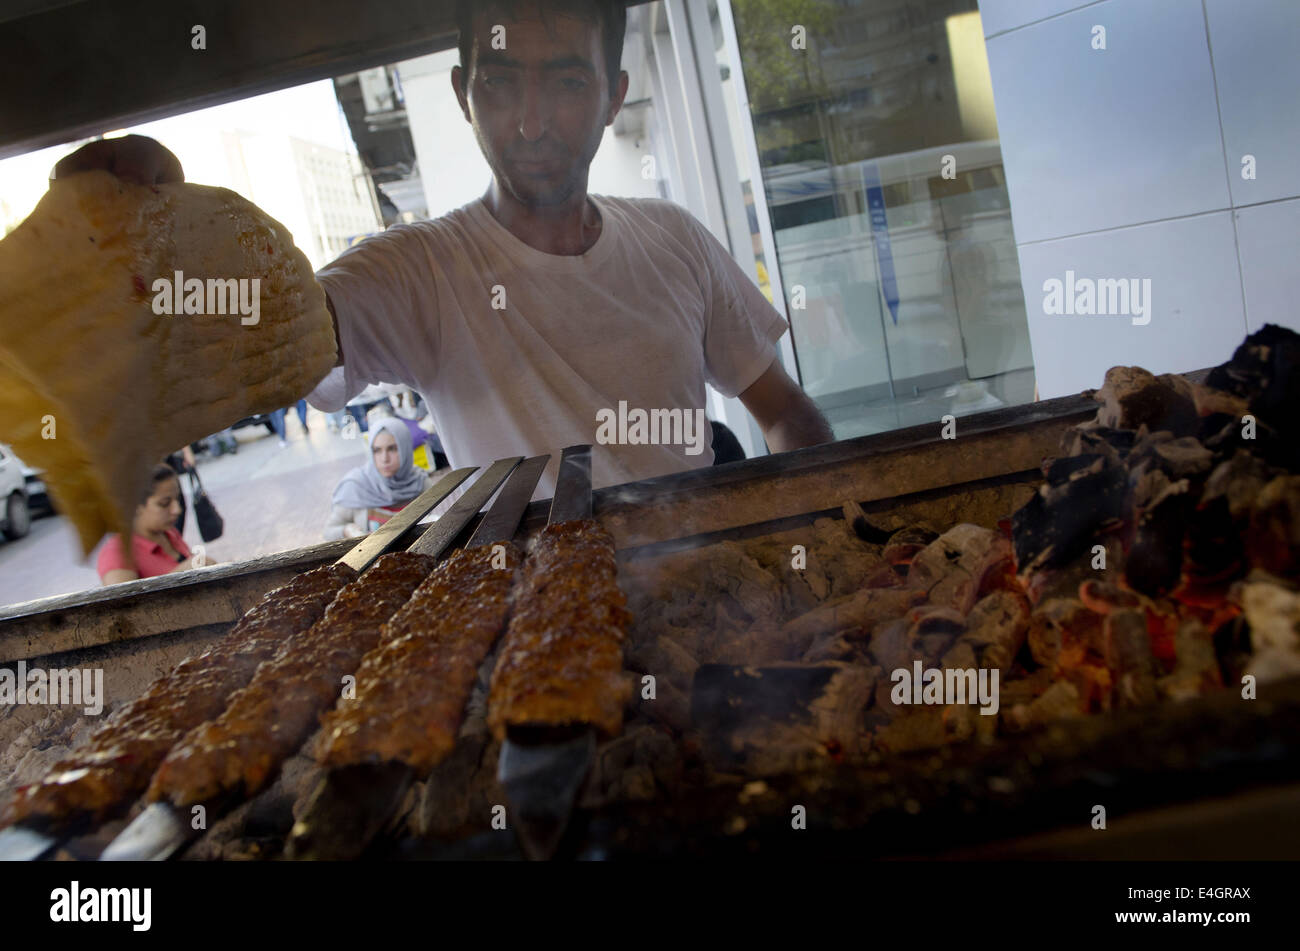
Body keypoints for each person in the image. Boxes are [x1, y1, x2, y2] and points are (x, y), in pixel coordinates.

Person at [52, 0, 834, 499]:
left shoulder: (674, 240)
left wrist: (812, 529)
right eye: (500, 83)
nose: (531, 122)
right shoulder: (417, 270)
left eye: (565, 82)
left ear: (612, 96)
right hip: (525, 645)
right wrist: (161, 245)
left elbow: (788, 415)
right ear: (464, 93)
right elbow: (274, 327)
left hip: (702, 607)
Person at [97, 463, 220, 584]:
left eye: (177, 499)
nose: (177, 509)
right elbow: (123, 603)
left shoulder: (168, 532)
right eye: (164, 503)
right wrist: (177, 576)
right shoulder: (118, 554)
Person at [324, 417, 432, 540]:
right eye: (377, 450)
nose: (384, 459)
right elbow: (329, 531)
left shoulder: (420, 482)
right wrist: (347, 531)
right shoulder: (355, 486)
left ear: (405, 448)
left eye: (392, 449)